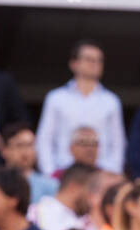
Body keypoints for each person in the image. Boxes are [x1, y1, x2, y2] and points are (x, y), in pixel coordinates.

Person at [36, 41, 125, 176]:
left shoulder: (111, 101)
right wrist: (50, 172)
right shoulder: (56, 98)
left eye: (99, 60)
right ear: (74, 64)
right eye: (89, 59)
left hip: (100, 173)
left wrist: (111, 173)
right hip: (63, 171)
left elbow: (118, 143)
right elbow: (44, 139)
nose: (94, 63)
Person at [31, 163, 94, 230]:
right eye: (91, 190)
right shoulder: (44, 210)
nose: (93, 197)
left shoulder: (77, 219)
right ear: (73, 188)